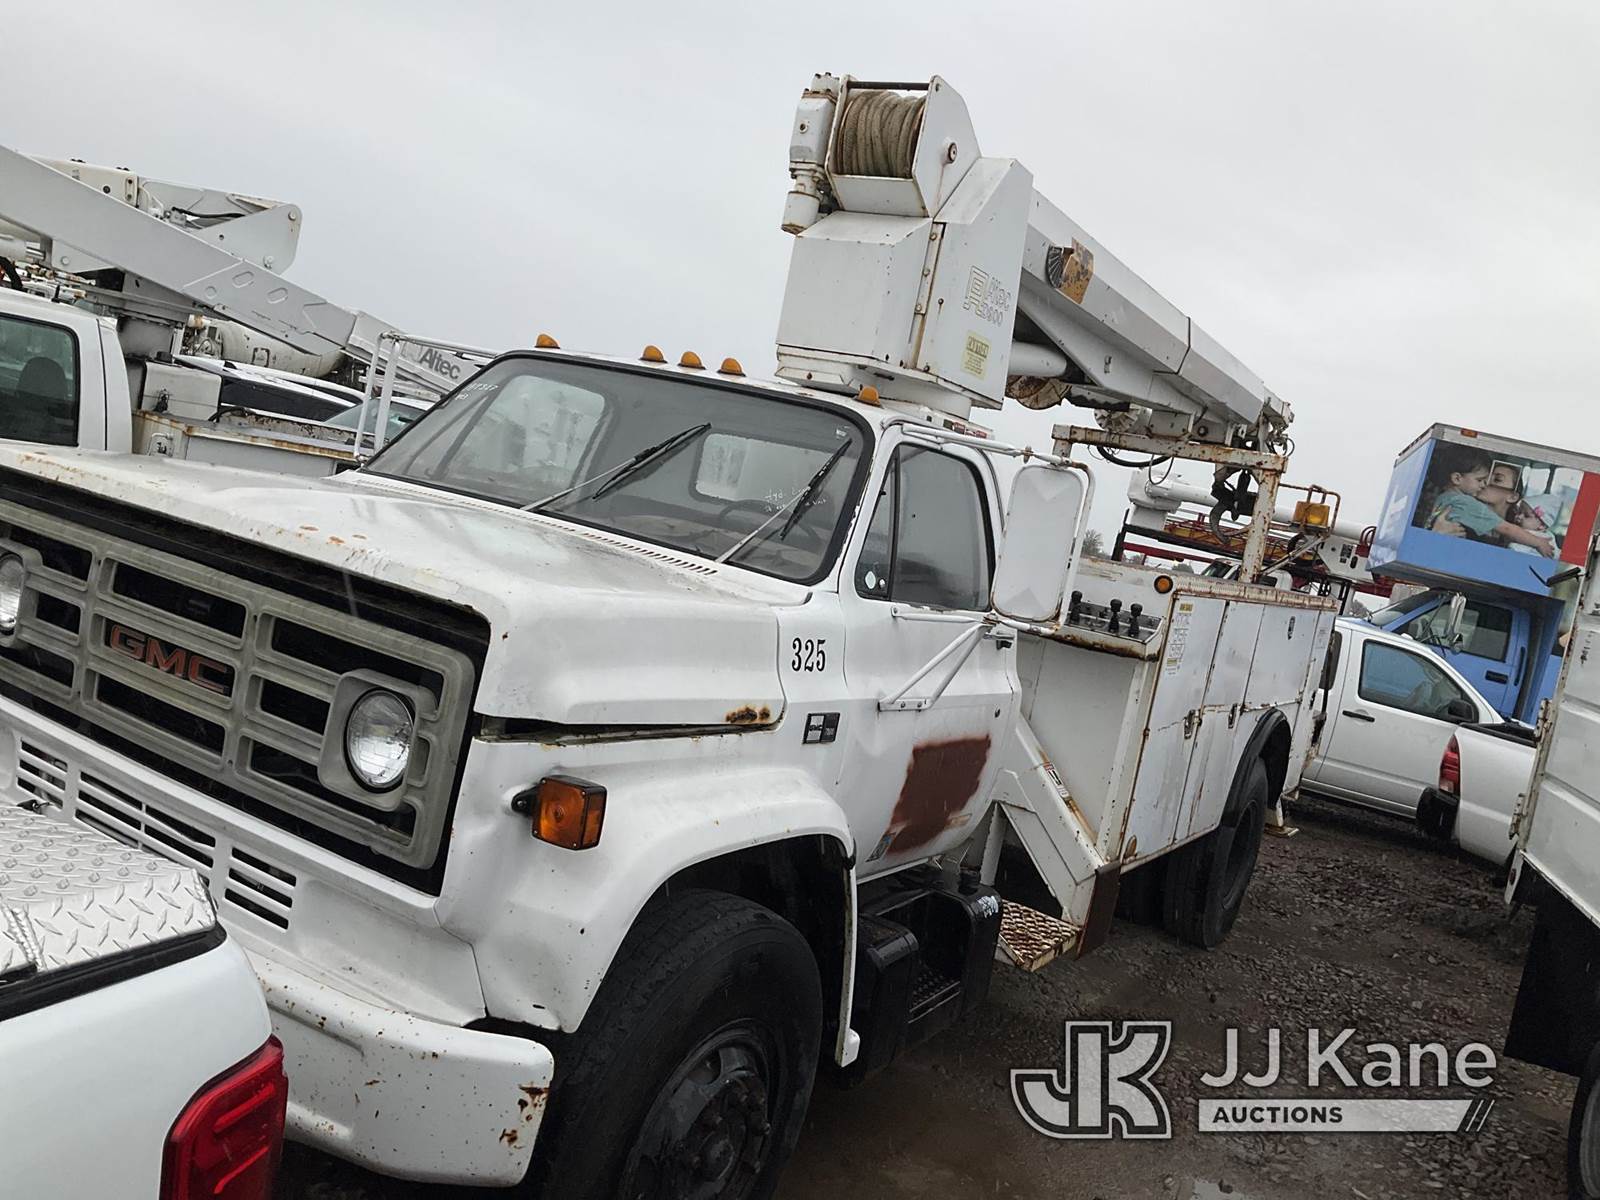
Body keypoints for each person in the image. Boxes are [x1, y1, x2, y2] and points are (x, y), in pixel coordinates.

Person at [1426, 449, 1556, 557]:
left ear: (1512, 497)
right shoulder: (1464, 506)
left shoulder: (1527, 531)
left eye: (1497, 479)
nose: (1485, 483)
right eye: (1481, 479)